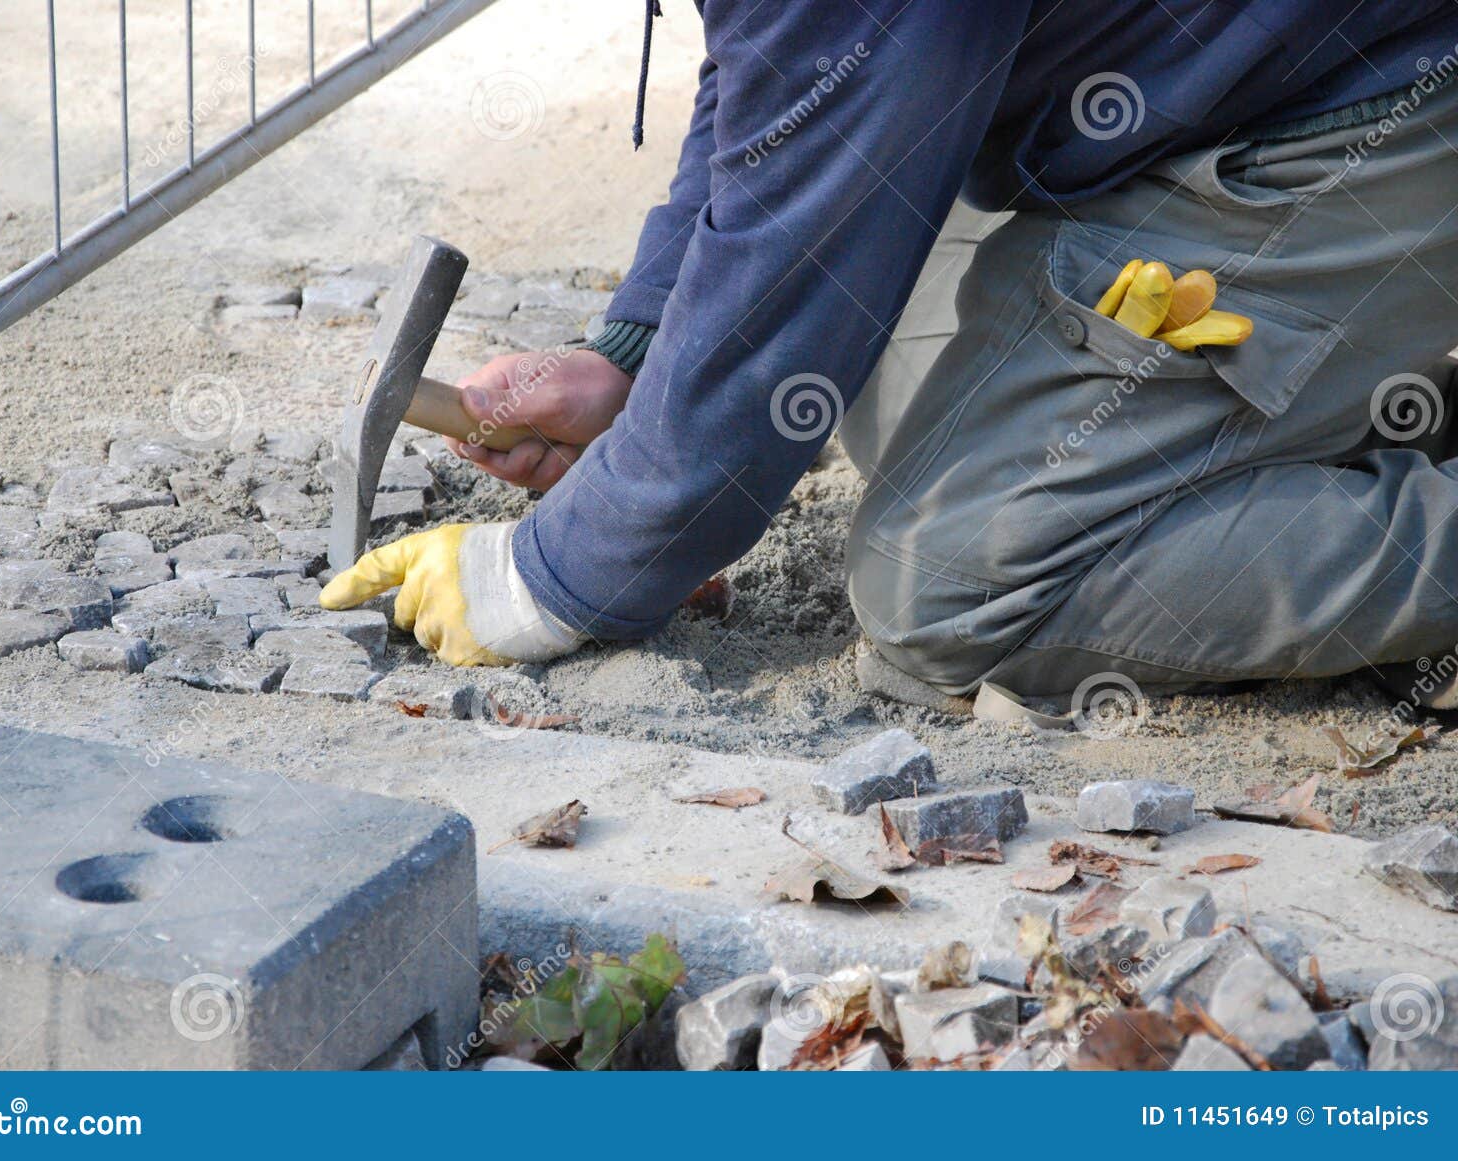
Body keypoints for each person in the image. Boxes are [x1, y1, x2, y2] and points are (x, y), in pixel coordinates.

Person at [323, 1, 1458, 712]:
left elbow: (818, 102)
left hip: (1375, 97)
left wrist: (553, 578)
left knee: (953, 589)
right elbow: (777, 81)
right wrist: (639, 351)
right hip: (1204, 90)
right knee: (866, 389)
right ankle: (1341, 400)